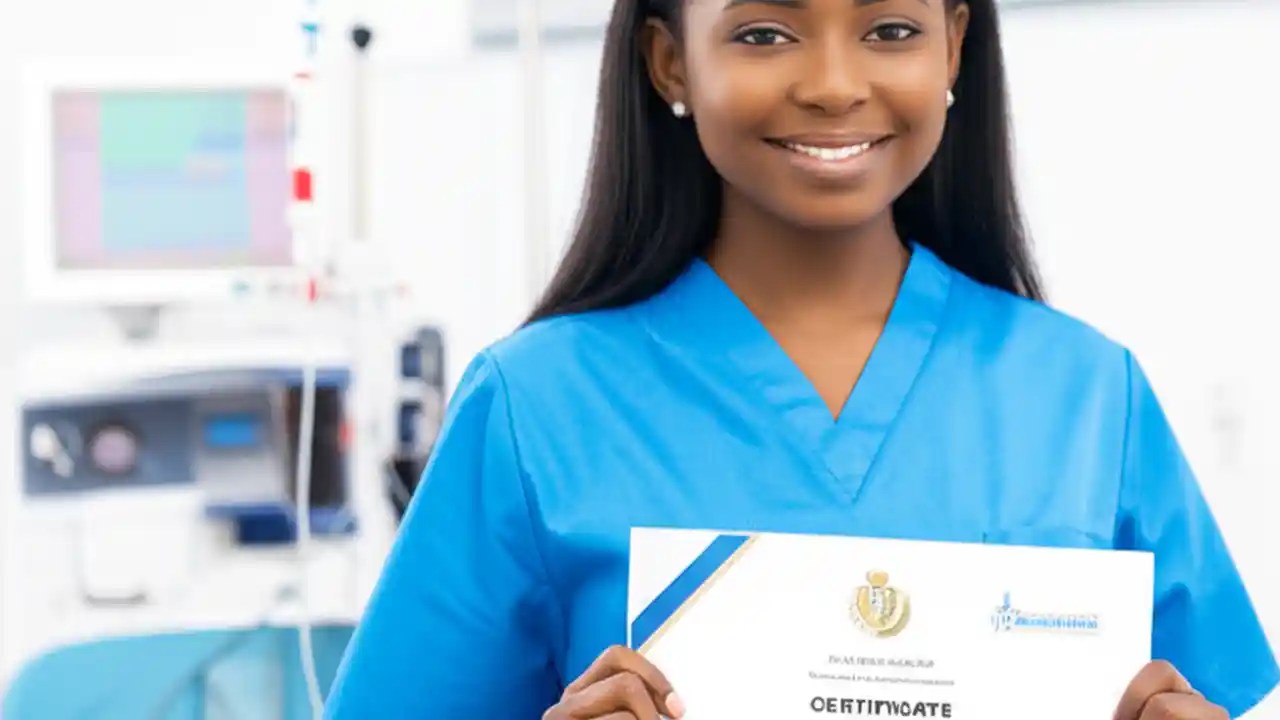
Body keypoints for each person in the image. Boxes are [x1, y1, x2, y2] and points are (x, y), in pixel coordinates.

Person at [325, 0, 1279, 717]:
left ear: (954, 45)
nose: (831, 82)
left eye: (892, 29)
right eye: (764, 33)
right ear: (670, 63)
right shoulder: (534, 405)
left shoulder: (1085, 395)